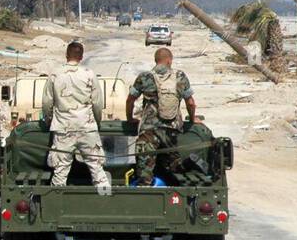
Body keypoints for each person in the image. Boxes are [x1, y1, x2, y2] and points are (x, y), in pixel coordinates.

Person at [41, 41, 112, 194]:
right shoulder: (89, 74)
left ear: (66, 55)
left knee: (60, 170)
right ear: (81, 57)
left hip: (63, 128)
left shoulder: (55, 74)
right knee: (97, 167)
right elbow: (97, 103)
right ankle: (105, 198)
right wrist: (96, 121)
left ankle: (56, 201)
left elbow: (47, 102)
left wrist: (48, 119)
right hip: (87, 127)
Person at [126, 47, 196, 186]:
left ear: (155, 60)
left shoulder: (144, 77)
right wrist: (193, 119)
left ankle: (146, 192)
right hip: (173, 132)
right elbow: (191, 103)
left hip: (149, 132)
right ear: (169, 61)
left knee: (145, 173)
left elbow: (130, 100)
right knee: (176, 171)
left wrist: (130, 119)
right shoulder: (180, 76)